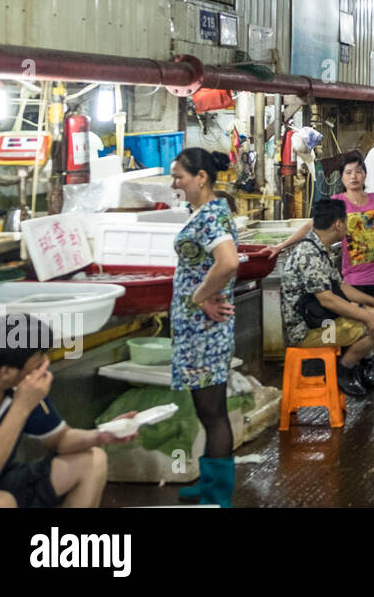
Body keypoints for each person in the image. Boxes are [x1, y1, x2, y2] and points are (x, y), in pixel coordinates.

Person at [0, 314, 138, 508]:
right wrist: (21, 408)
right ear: (6, 372)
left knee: (93, 460)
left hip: (2, 479)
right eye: (38, 357)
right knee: (0, 503)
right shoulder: (24, 394)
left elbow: (60, 440)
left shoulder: (19, 386)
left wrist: (101, 435)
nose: (45, 363)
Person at [168, 147, 241, 507]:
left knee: (213, 412)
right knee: (205, 408)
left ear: (201, 178)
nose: (174, 183)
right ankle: (209, 476)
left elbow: (228, 263)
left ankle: (217, 494)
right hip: (197, 328)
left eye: (179, 176)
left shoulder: (211, 215)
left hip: (204, 329)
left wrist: (200, 296)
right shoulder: (204, 211)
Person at [282, 199, 374, 397]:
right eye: (346, 221)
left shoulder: (319, 247)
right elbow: (328, 300)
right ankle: (342, 369)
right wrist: (367, 316)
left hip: (321, 319)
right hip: (308, 331)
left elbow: (340, 287)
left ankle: (358, 368)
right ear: (338, 224)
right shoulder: (309, 254)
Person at [273, 154, 374, 301]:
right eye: (348, 172)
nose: (354, 176)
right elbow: (311, 225)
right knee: (357, 317)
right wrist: (280, 246)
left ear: (365, 175)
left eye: (358, 171)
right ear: (341, 177)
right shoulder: (337, 202)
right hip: (354, 276)